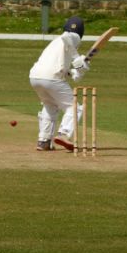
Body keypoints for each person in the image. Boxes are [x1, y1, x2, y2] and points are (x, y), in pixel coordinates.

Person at [29, 16, 90, 152]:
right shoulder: (73, 36)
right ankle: (64, 134)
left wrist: (73, 72)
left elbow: (59, 63)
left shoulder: (55, 42)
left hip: (35, 76)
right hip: (51, 77)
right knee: (74, 107)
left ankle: (44, 141)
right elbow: (67, 37)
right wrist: (77, 61)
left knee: (50, 106)